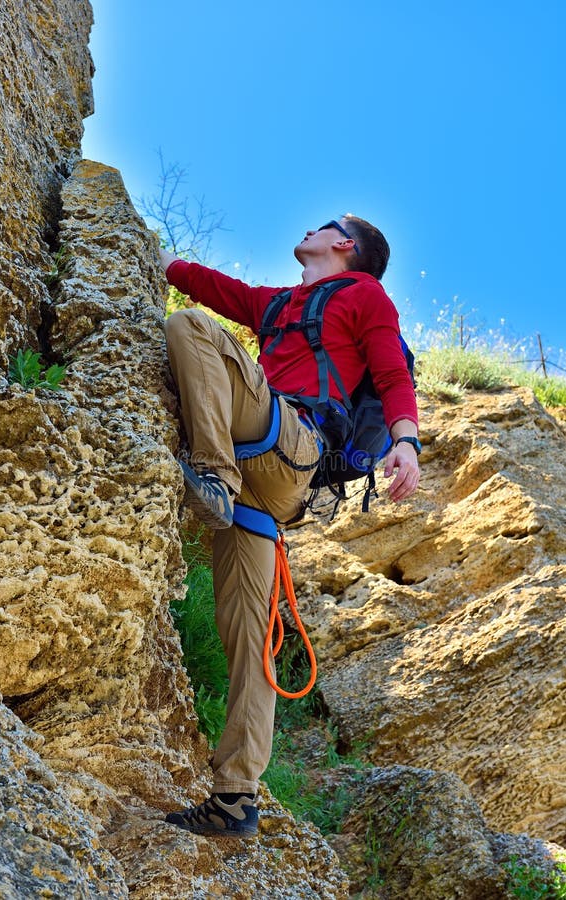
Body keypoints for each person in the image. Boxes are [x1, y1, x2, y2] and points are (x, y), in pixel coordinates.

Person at [159, 215, 420, 838]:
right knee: (248, 631)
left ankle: (212, 475)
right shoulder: (278, 304)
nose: (307, 227)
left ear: (344, 245)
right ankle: (236, 798)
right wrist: (149, 252)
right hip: (269, 489)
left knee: (187, 326)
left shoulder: (364, 294)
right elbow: (203, 283)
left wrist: (406, 443)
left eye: (322, 224)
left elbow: (390, 375)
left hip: (288, 444)